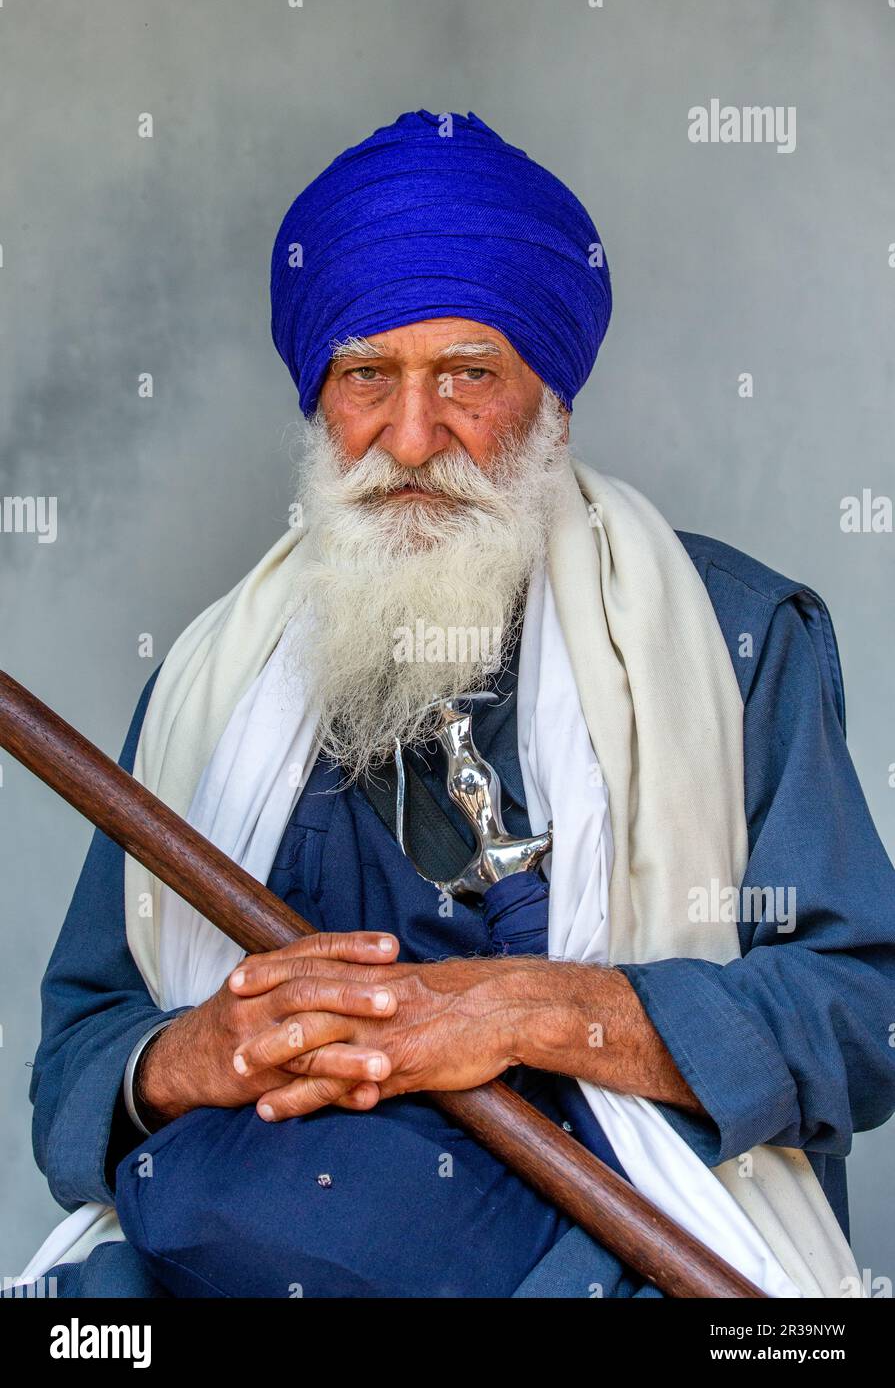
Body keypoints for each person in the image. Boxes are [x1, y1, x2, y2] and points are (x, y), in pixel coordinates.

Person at [20, 110, 895, 1299]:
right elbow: (79, 1054)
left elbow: (863, 1015)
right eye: (366, 375)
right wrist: (191, 1054)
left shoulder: (733, 640)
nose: (413, 435)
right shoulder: (207, 682)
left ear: (553, 398)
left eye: (468, 375)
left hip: (606, 1259)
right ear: (319, 397)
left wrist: (540, 1013)